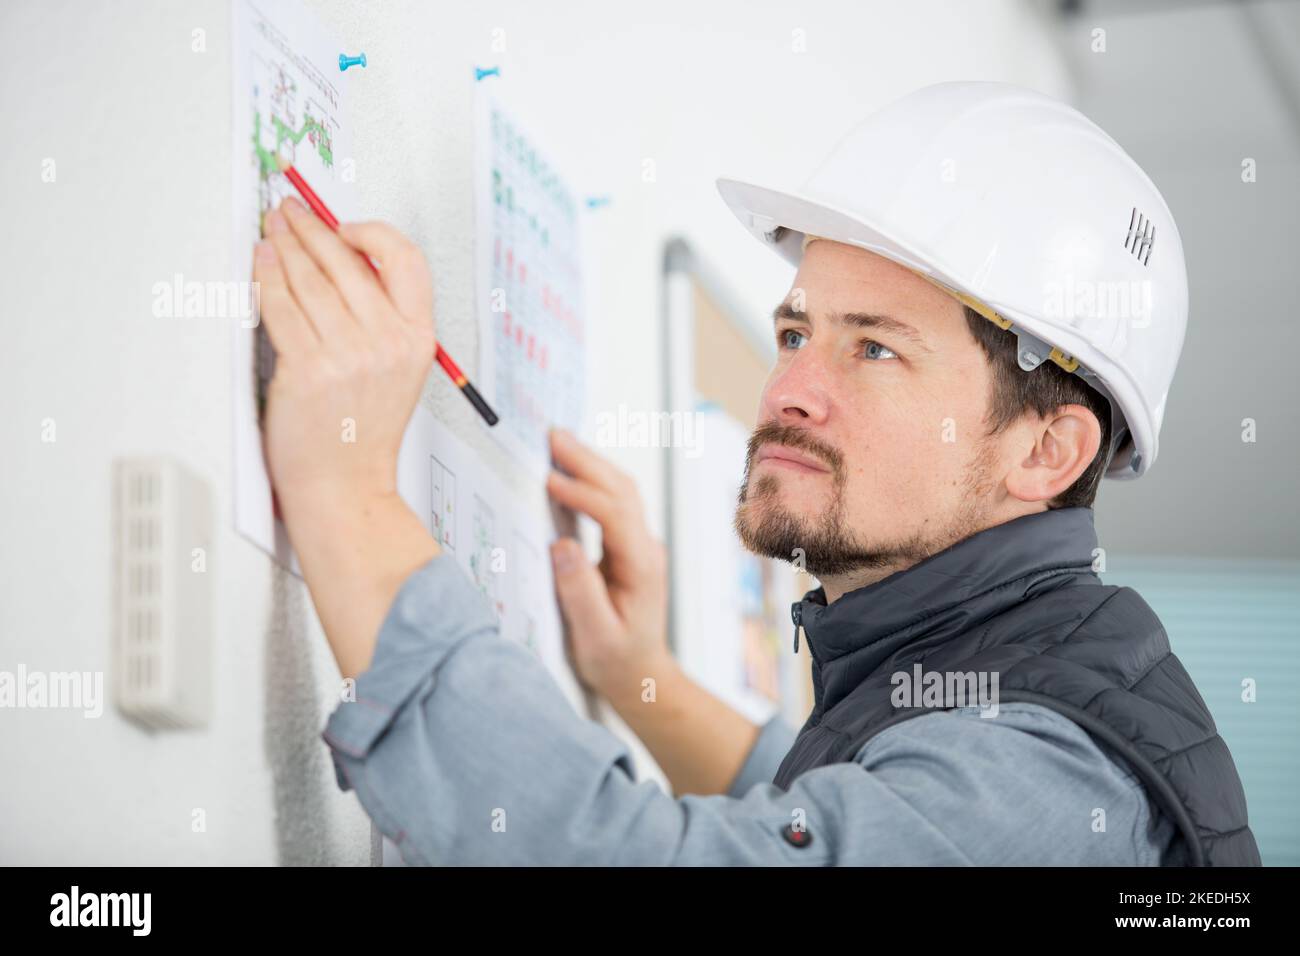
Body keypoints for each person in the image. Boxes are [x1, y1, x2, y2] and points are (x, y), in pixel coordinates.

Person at [251, 82, 1259, 865]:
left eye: (873, 349)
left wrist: (347, 494)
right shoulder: (1011, 676)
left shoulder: (1048, 771)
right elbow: (835, 809)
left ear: (1044, 450)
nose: (789, 389)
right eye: (793, 330)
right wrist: (636, 674)